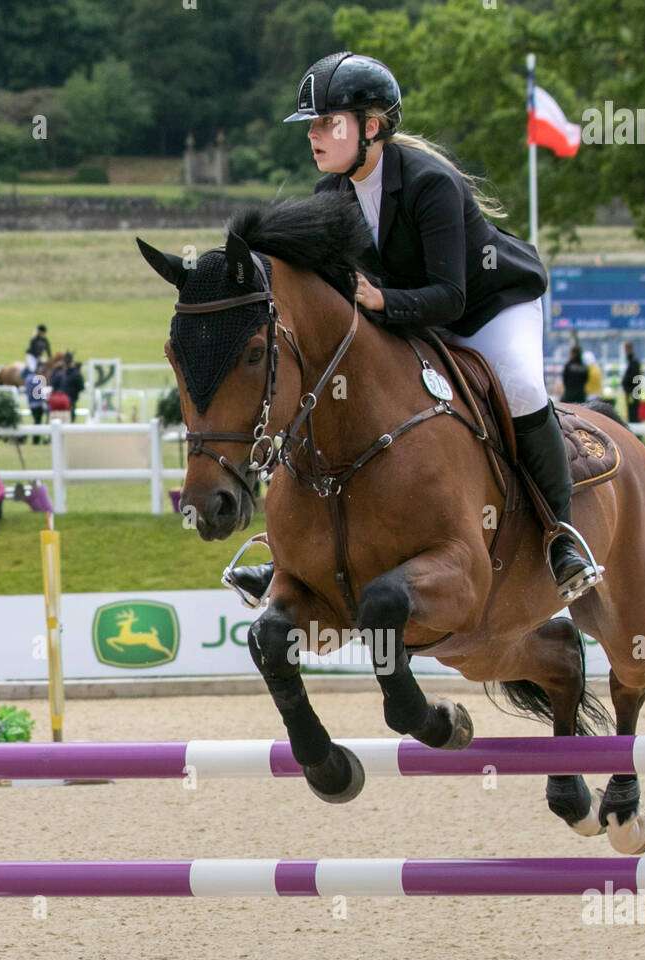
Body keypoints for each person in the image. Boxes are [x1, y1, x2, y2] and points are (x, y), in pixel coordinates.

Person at [231, 51, 601, 606]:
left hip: (487, 308)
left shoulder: (431, 185)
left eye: (327, 122)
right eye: (311, 124)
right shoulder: (330, 196)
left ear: (371, 127)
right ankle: (291, 554)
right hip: (408, 313)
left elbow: (450, 297)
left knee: (521, 386)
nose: (313, 135)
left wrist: (381, 300)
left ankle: (560, 538)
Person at [622, 341, 643, 423]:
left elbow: (634, 378)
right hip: (633, 392)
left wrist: (627, 386)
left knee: (633, 414)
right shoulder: (632, 361)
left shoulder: (633, 362)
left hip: (632, 393)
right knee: (632, 414)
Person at [25, 370, 48, 443]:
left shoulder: (28, 378)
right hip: (38, 404)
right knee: (37, 422)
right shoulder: (38, 379)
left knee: (36, 421)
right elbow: (40, 392)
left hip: (31, 404)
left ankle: (36, 440)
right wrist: (46, 401)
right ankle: (36, 440)